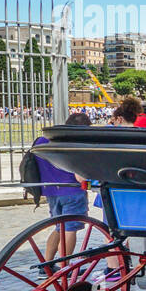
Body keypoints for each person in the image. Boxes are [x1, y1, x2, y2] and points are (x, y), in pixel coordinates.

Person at [32, 112, 92, 269]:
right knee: (70, 229)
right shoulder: (74, 145)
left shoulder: (41, 141)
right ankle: (63, 266)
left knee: (59, 227)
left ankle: (46, 264)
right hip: (72, 192)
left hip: (51, 192)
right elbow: (80, 178)